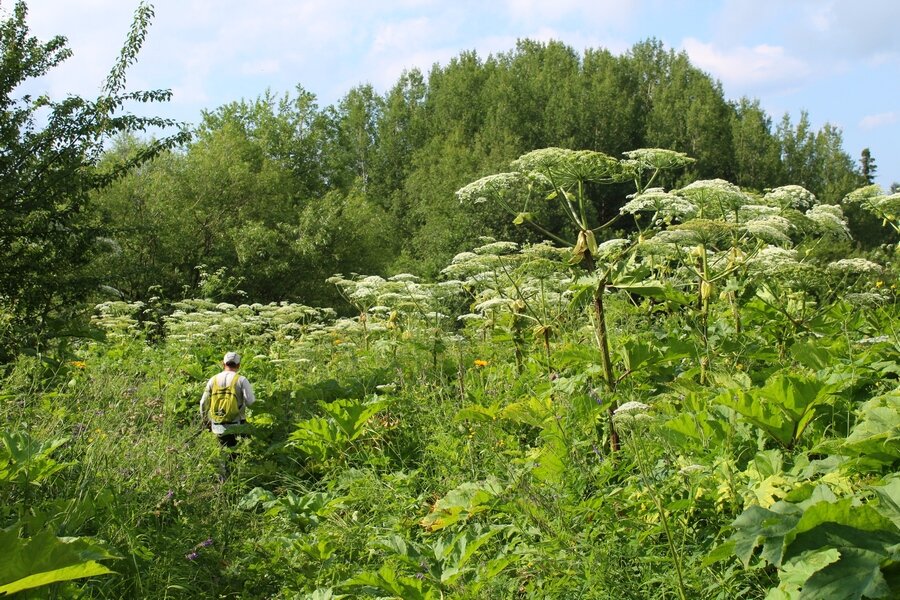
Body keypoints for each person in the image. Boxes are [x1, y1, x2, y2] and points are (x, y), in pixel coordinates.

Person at [200, 351, 256, 449]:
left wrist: (205, 420)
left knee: (221, 454)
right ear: (238, 365)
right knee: (237, 455)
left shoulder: (213, 380)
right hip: (237, 426)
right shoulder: (241, 380)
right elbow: (250, 402)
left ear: (223, 364)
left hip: (217, 426)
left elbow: (203, 403)